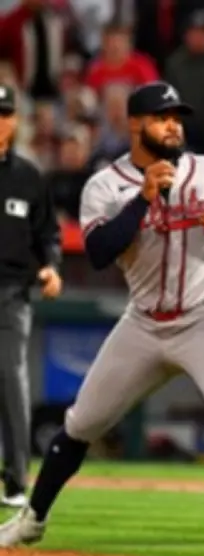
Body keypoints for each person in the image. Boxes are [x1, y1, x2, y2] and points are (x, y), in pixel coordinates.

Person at [0, 82, 204, 556]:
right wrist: (143, 199)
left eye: (177, 116)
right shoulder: (105, 185)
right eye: (161, 116)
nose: (173, 124)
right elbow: (99, 252)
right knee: (81, 422)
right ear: (135, 125)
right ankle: (33, 519)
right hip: (144, 322)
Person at [0, 84, 62, 508]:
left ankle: (17, 482)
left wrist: (52, 266)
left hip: (11, 292)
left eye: (5, 113)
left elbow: (48, 233)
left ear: (15, 121)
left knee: (12, 380)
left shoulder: (28, 175)